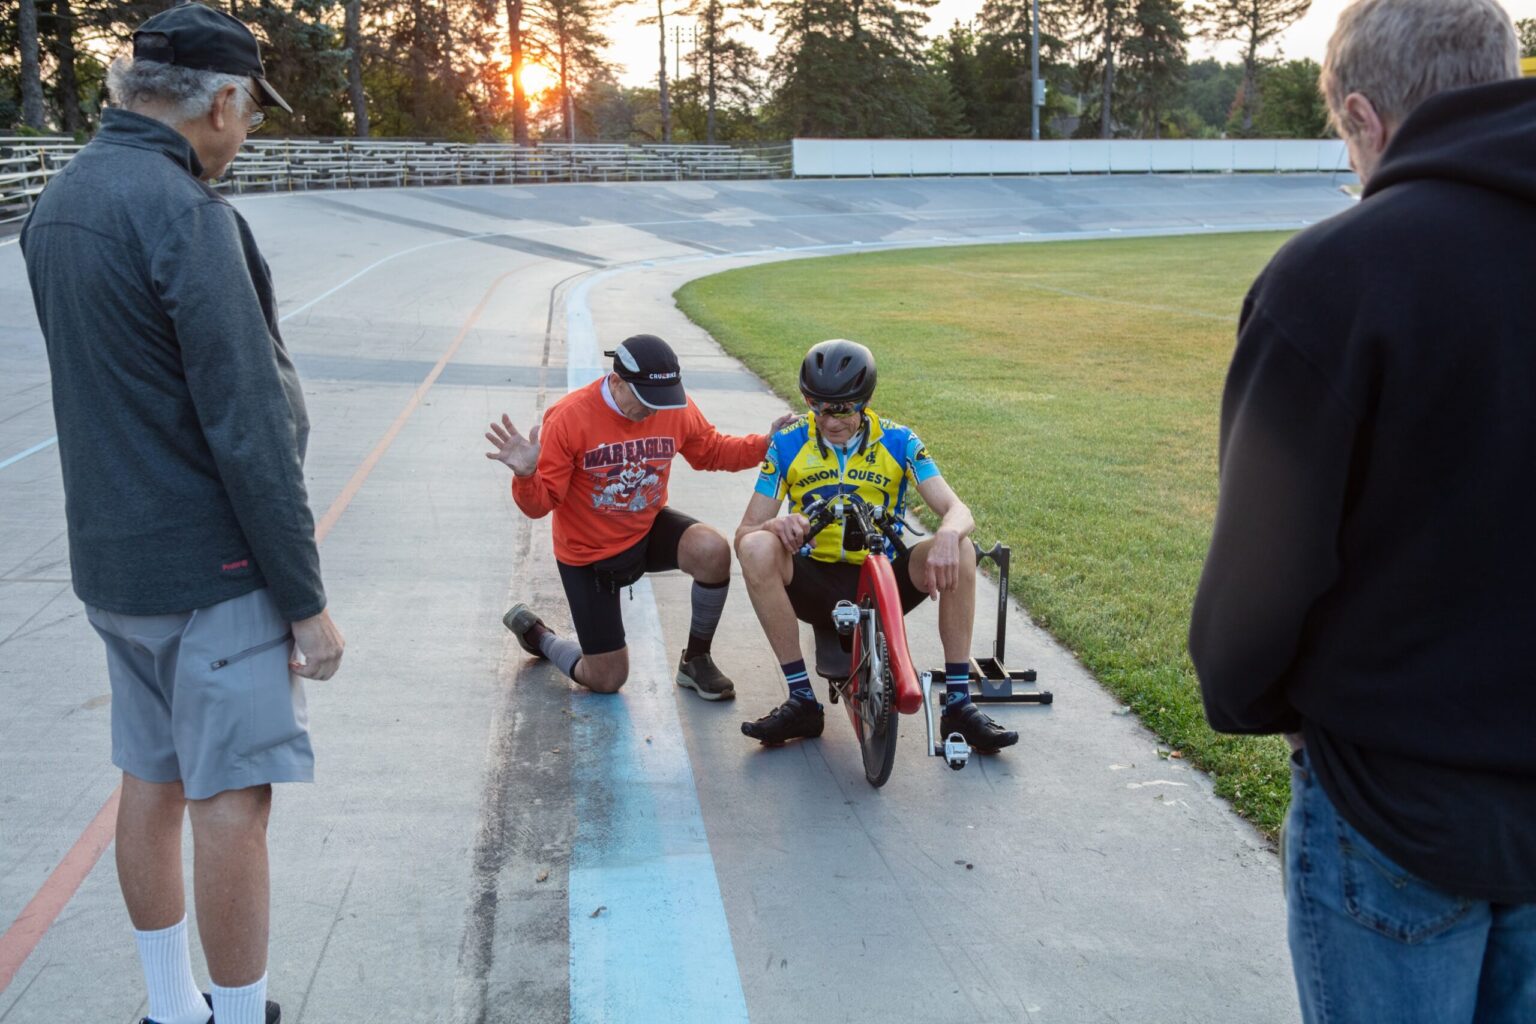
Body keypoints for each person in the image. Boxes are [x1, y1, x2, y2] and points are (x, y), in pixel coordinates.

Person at [1188, 1, 1535, 1020]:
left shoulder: (1338, 276)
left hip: (1392, 804)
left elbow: (1256, 589)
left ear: (1363, 116)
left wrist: (1256, 707)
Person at [19, 5, 342, 1024]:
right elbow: (246, 425)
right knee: (234, 800)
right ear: (224, 99)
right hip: (213, 573)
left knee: (149, 780)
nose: (245, 138)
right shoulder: (185, 214)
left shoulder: (60, 202)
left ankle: (172, 1005)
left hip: (114, 565)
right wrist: (306, 601)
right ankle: (238, 1017)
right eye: (248, 116)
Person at [733, 339, 1017, 752]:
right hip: (814, 581)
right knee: (757, 548)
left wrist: (949, 536)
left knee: (964, 549)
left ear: (864, 402)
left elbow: (958, 509)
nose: (830, 420)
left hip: (882, 579)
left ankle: (957, 702)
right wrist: (776, 525)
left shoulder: (899, 440)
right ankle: (801, 700)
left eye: (843, 408)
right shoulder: (789, 442)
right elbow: (744, 534)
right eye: (818, 406)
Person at [488, 333, 792, 698]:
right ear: (617, 382)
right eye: (646, 401)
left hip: (645, 530)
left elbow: (710, 451)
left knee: (713, 550)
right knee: (606, 678)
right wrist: (525, 475)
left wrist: (766, 443)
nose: (655, 411)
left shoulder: (672, 408)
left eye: (663, 401)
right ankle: (539, 636)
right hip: (588, 554)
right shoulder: (569, 418)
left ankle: (696, 660)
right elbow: (540, 504)